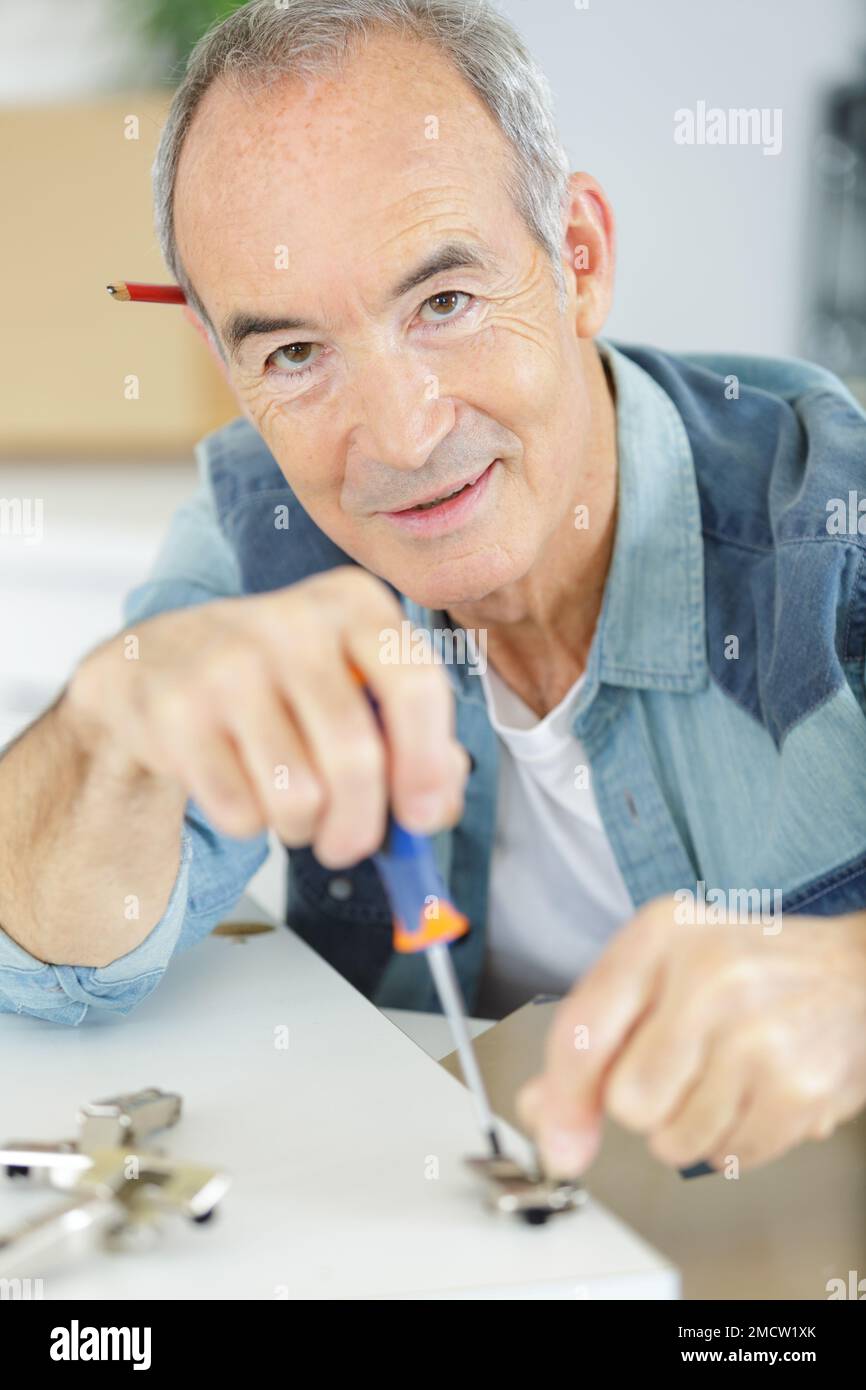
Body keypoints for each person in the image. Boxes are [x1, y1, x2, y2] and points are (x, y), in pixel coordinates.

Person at [2, 0, 865, 1182]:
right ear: (228, 370)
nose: (401, 436)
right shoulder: (260, 539)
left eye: (444, 302)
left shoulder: (833, 540)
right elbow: (46, 962)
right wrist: (106, 726)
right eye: (295, 355)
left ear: (579, 260)